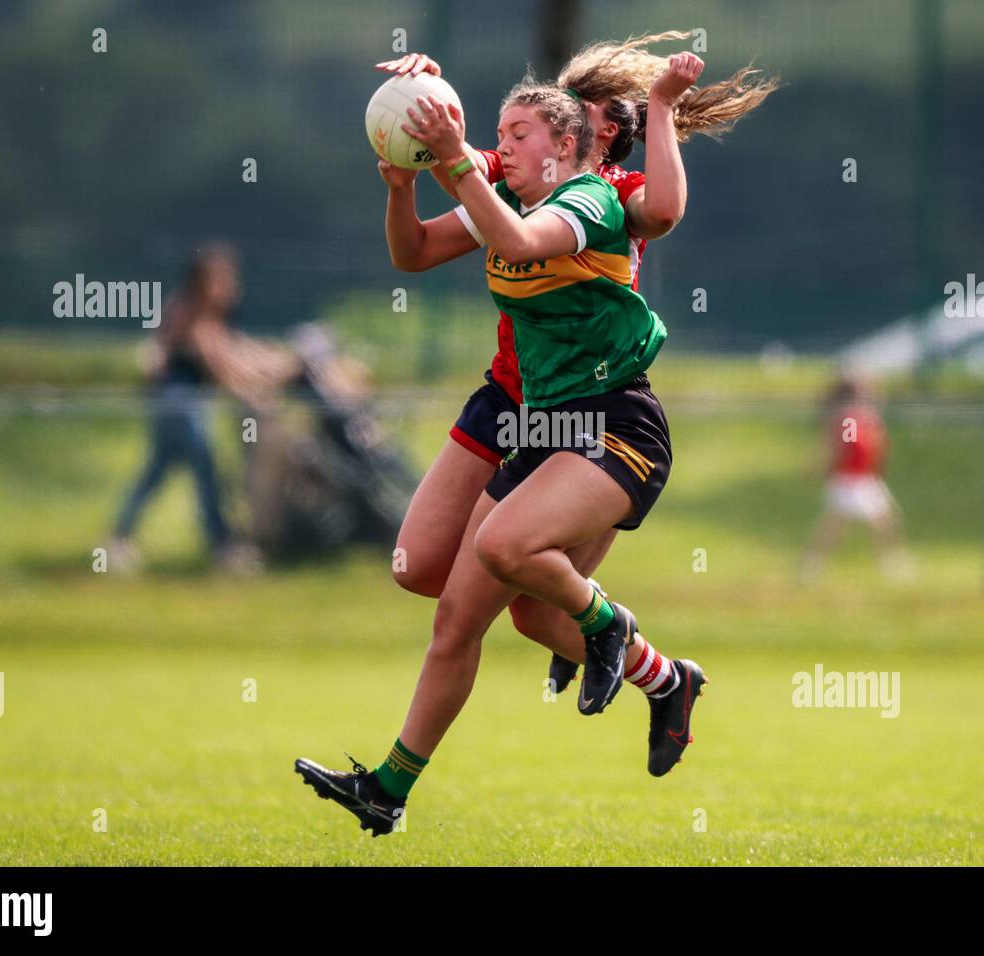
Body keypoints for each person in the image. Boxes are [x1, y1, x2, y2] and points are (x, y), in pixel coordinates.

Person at [297, 76, 719, 835]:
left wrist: (458, 153)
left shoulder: (595, 196)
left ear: (573, 141)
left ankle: (607, 626)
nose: (503, 146)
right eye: (502, 131)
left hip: (614, 423)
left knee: (505, 556)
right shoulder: (510, 184)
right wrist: (409, 167)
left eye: (520, 133)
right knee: (459, 601)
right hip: (537, 420)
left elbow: (532, 240)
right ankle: (387, 792)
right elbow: (418, 250)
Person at [373, 36, 777, 696]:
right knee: (418, 569)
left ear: (606, 128)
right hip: (508, 397)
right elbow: (442, 186)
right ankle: (631, 654)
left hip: (582, 413)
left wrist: (665, 108)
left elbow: (665, 211)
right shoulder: (515, 173)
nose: (551, 121)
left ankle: (619, 650)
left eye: (571, 109)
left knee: (510, 610)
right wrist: (420, 102)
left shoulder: (612, 195)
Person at [109, 244, 294, 574]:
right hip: (178, 404)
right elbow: (219, 366)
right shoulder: (190, 314)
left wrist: (276, 362)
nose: (229, 287)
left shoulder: (211, 318)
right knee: (205, 468)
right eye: (221, 279)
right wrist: (254, 390)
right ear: (200, 281)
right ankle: (222, 546)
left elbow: (237, 352)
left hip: (181, 405)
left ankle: (119, 539)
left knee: (158, 470)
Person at [800, 378, 912, 582]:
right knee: (836, 525)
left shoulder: (866, 417)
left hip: (865, 478)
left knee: (884, 520)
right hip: (850, 480)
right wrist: (821, 466)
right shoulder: (850, 418)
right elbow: (844, 446)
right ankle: (811, 564)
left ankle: (891, 562)